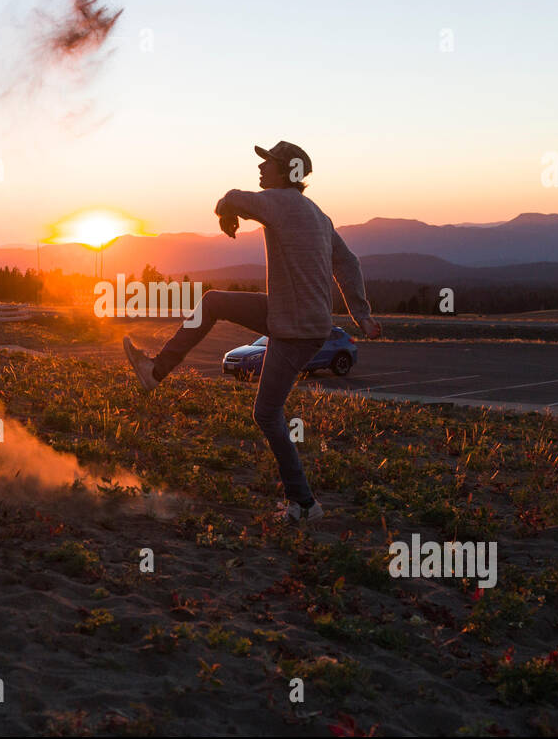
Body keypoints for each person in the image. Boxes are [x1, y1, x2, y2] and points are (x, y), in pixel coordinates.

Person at [123, 141, 381, 521]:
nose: (261, 169)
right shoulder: (319, 215)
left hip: (295, 329)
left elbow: (231, 197)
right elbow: (348, 262)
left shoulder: (277, 201)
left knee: (266, 414)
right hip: (296, 318)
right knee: (213, 301)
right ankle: (155, 371)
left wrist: (226, 214)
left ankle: (304, 505)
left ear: (287, 172)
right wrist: (361, 314)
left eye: (269, 163)